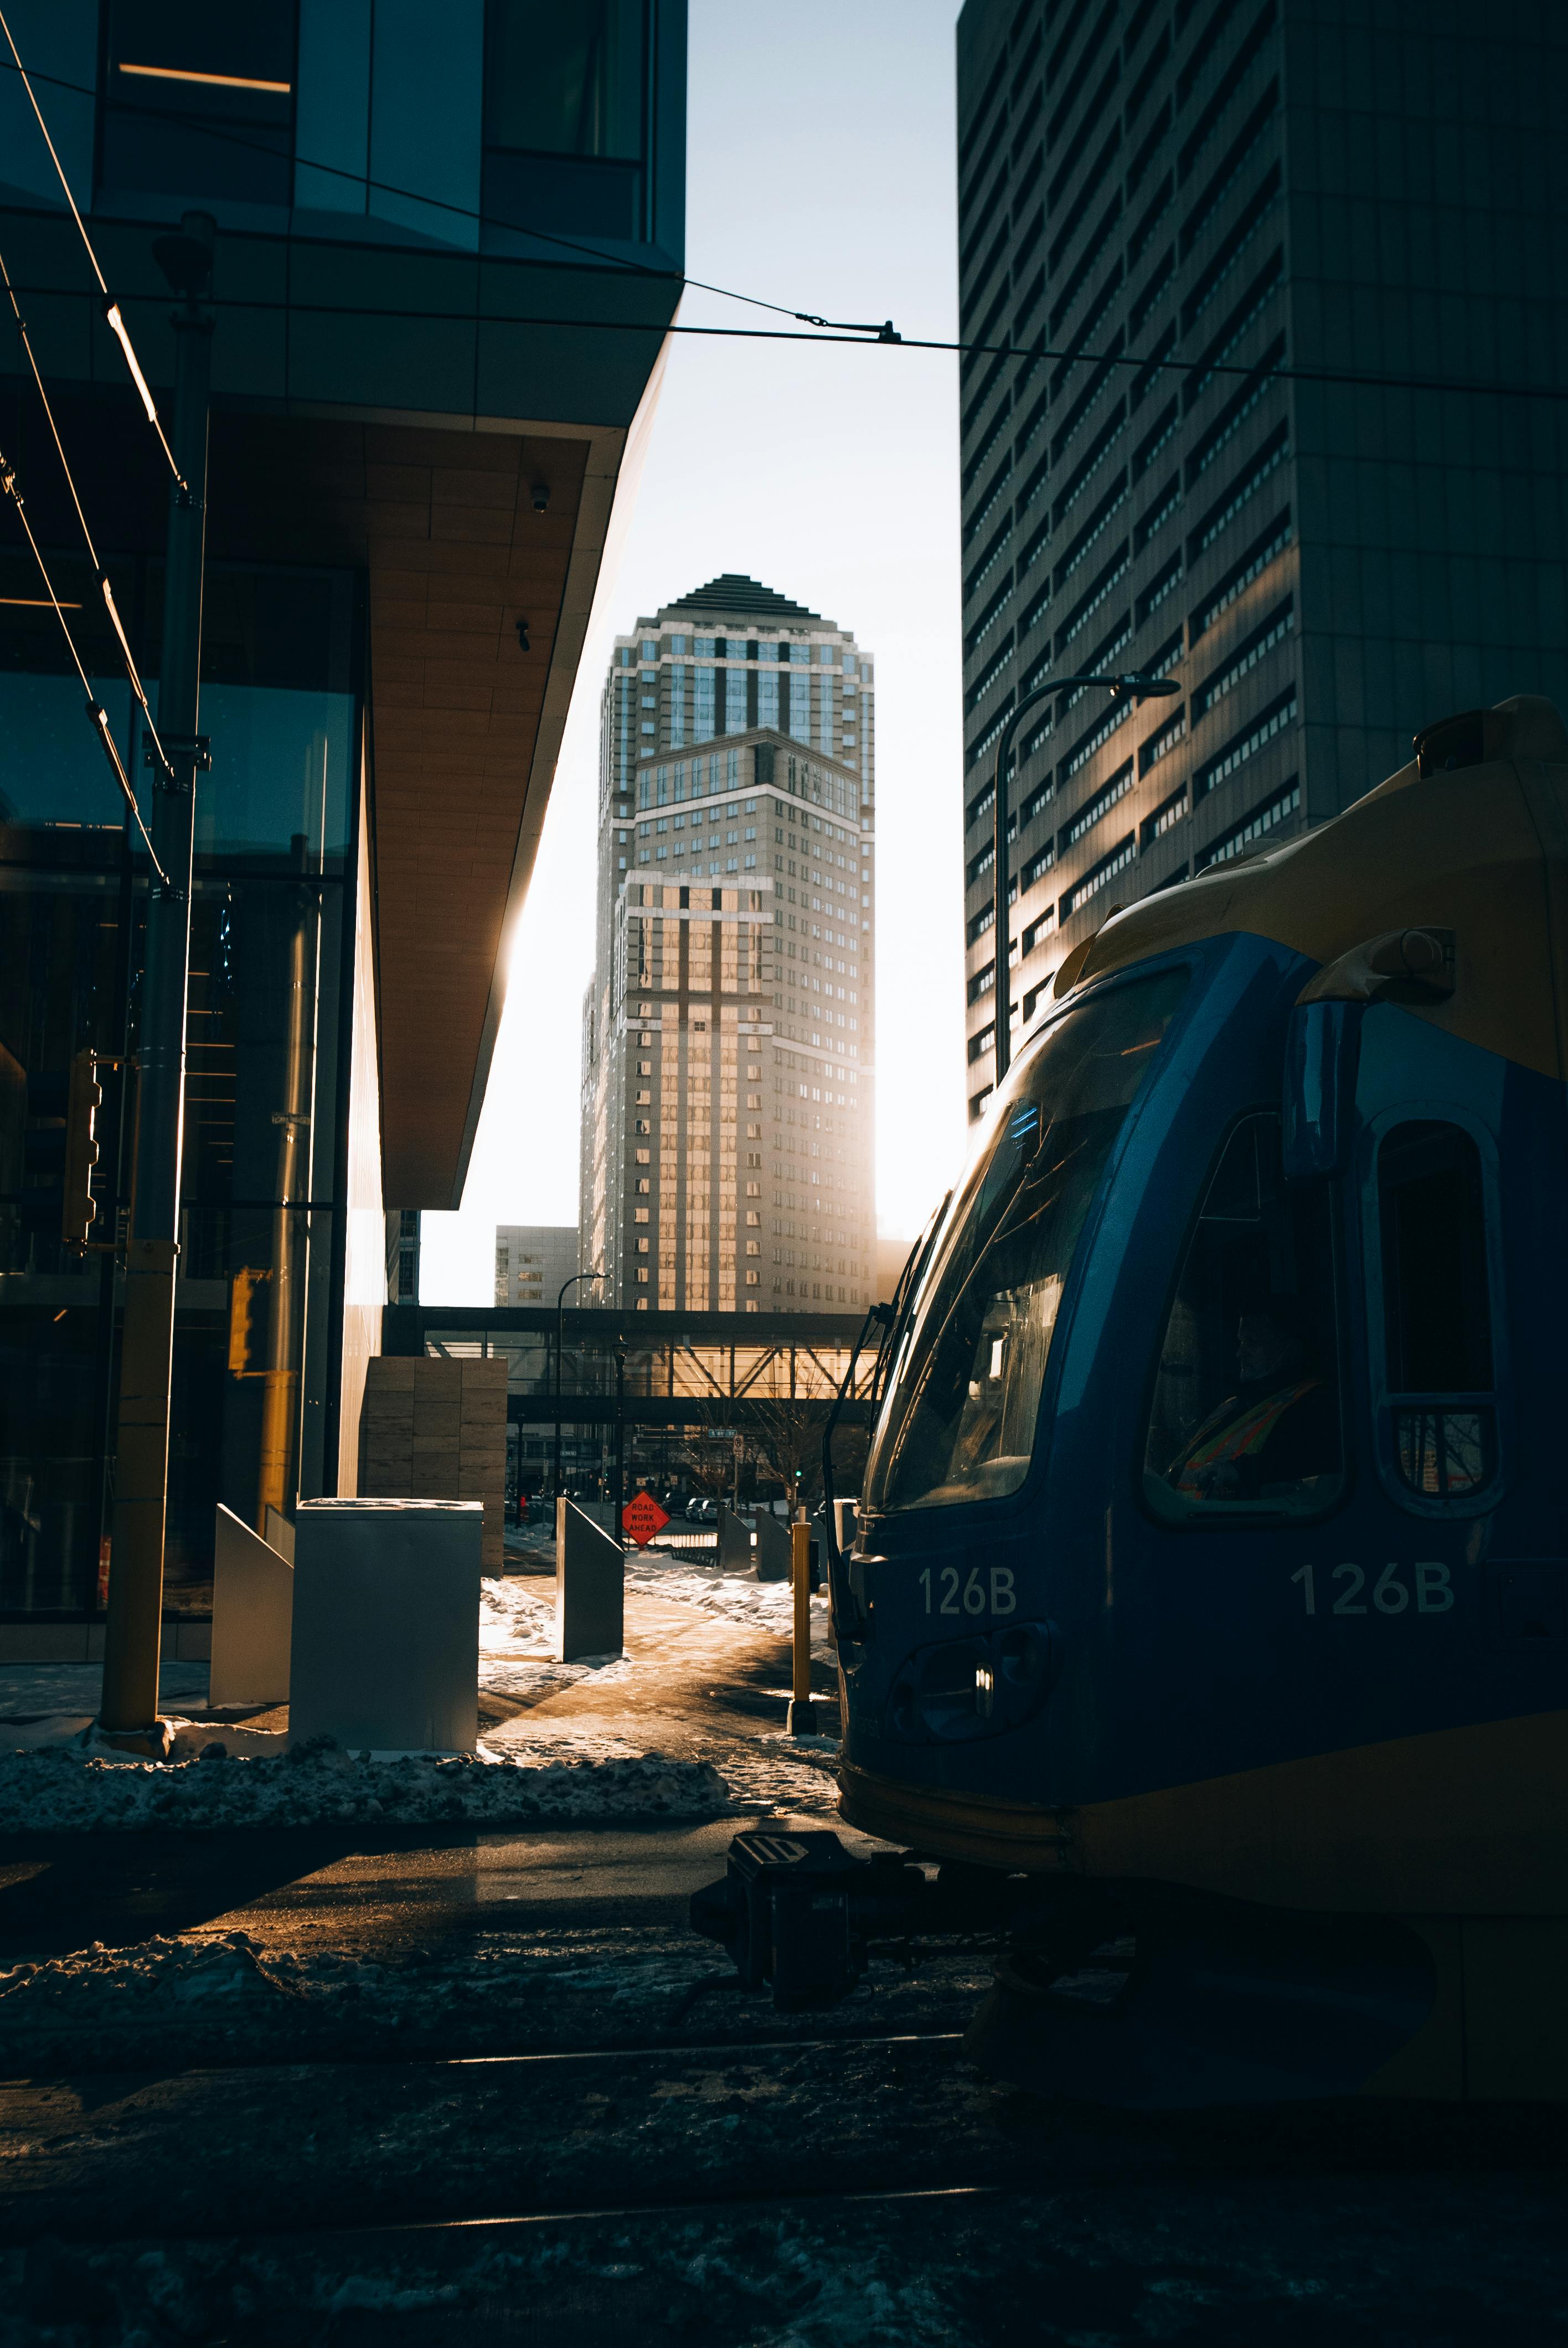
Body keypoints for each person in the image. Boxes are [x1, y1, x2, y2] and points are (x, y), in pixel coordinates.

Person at [1168, 1302, 1338, 1501]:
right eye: (1241, 1341)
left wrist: (1240, 1472)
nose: (1240, 1353)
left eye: (1253, 1341)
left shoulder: (1315, 1402)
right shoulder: (1231, 1405)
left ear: (1291, 1347)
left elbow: (1297, 1460)